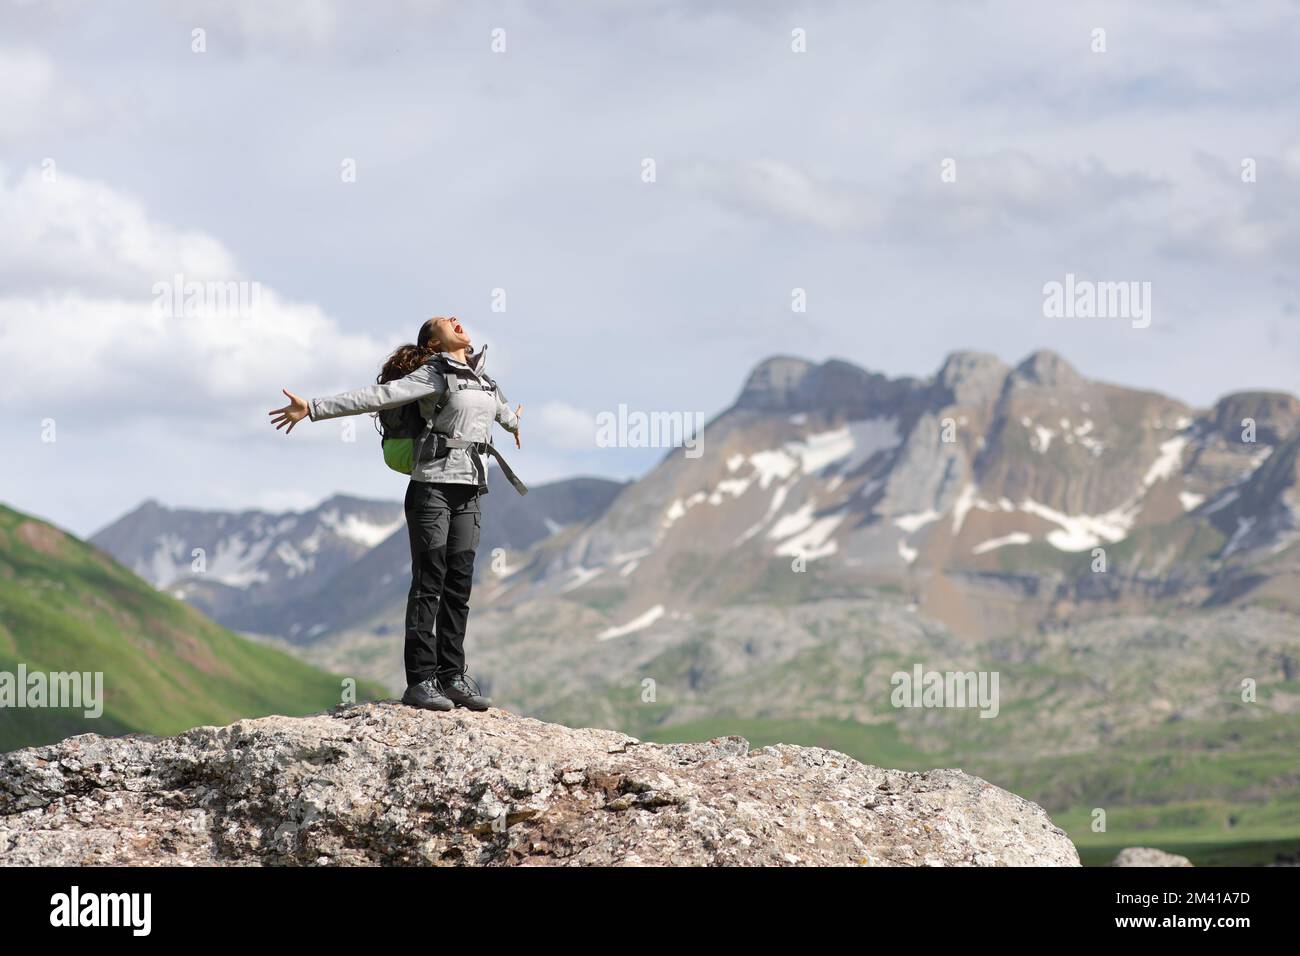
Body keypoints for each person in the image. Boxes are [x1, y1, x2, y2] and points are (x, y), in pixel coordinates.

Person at [268, 316, 523, 713]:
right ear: (434, 343)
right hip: (432, 489)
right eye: (444, 321)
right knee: (429, 582)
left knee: (459, 585)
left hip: (471, 492)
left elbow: (503, 414)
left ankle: (452, 678)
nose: (456, 320)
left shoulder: (484, 380)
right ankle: (420, 682)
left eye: (456, 317)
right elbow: (374, 397)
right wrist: (313, 408)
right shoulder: (432, 375)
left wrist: (515, 423)